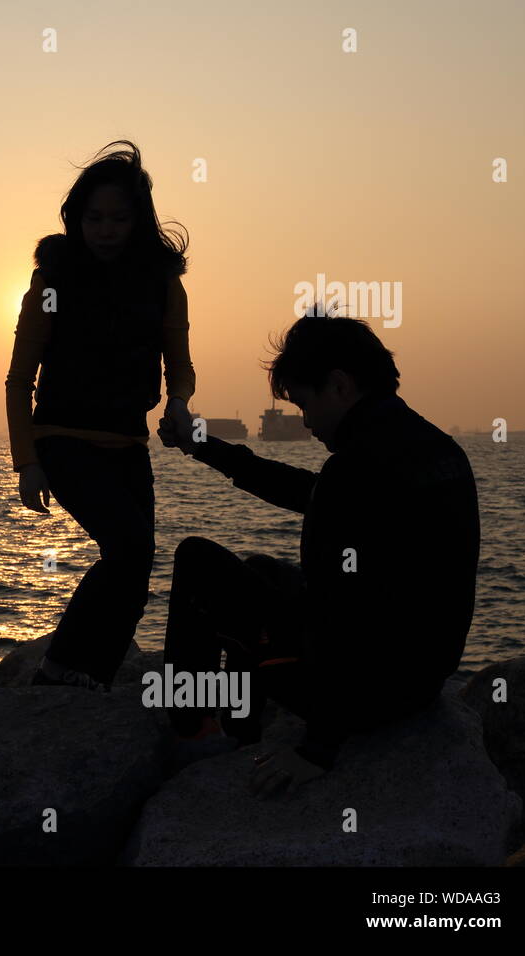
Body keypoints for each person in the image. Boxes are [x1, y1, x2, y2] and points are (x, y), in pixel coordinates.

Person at [156, 310, 480, 794]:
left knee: (197, 560)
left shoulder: (355, 467)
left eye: (304, 403)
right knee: (262, 570)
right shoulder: (435, 448)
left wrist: (318, 748)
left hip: (363, 697)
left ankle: (194, 731)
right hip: (418, 682)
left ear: (340, 385)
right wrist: (202, 446)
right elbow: (312, 494)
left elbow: (340, 609)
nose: (305, 421)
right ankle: (242, 726)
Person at [6, 140, 194, 690]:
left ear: (138, 220)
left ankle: (96, 679)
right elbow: (20, 381)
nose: (105, 229)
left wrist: (179, 404)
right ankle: (56, 668)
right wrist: (27, 462)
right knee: (130, 547)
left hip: (129, 446)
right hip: (61, 440)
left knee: (137, 570)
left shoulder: (162, 285)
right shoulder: (51, 282)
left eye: (118, 218)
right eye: (94, 218)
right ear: (76, 219)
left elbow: (180, 367)